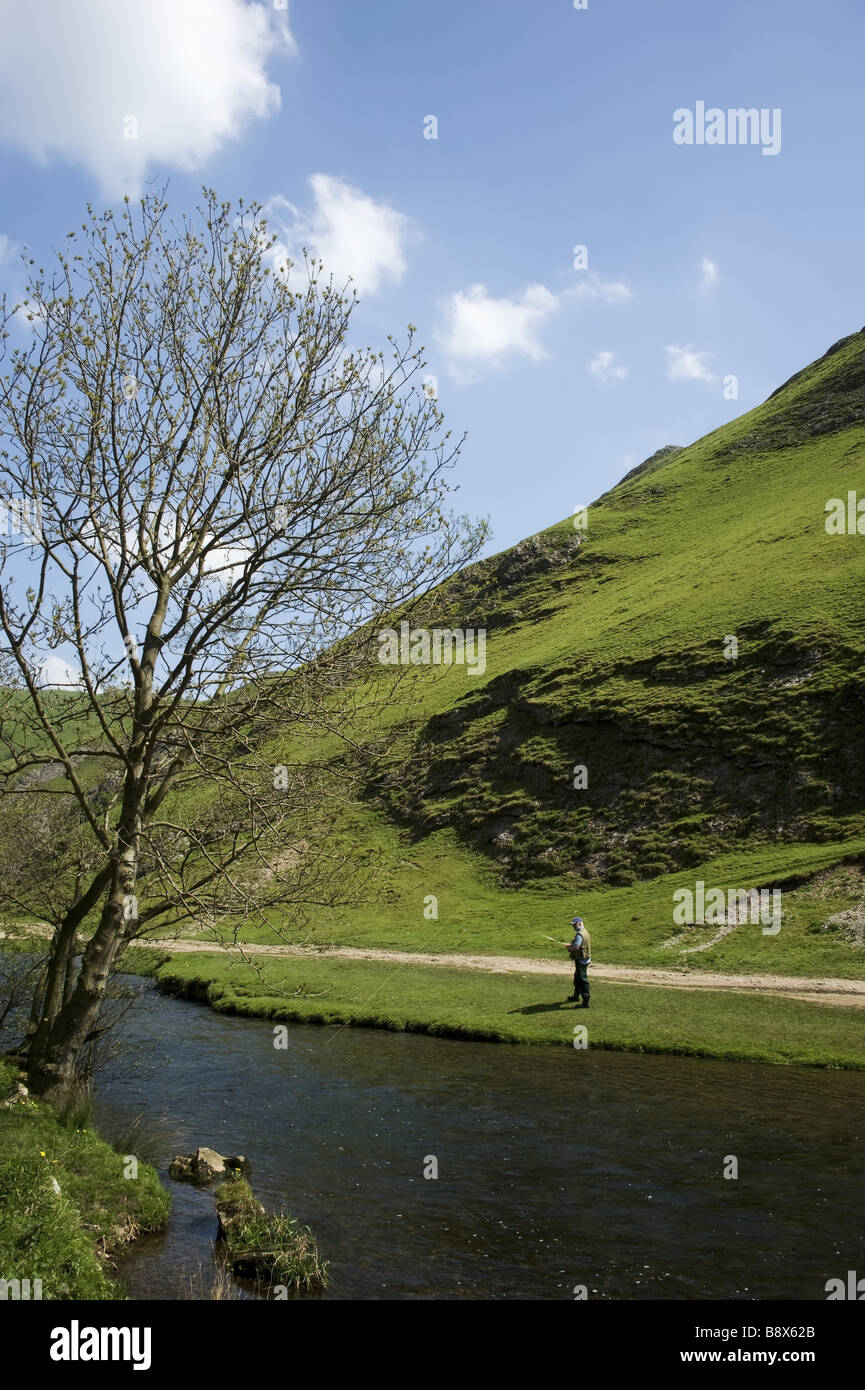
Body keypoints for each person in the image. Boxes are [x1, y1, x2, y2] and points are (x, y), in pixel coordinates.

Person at [566, 915, 591, 1007]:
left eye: (575, 925)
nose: (574, 927)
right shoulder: (585, 932)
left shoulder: (580, 935)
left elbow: (575, 948)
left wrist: (569, 947)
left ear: (580, 924)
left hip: (581, 960)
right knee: (577, 978)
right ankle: (576, 996)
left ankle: (585, 1002)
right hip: (584, 959)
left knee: (583, 980)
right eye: (573, 925)